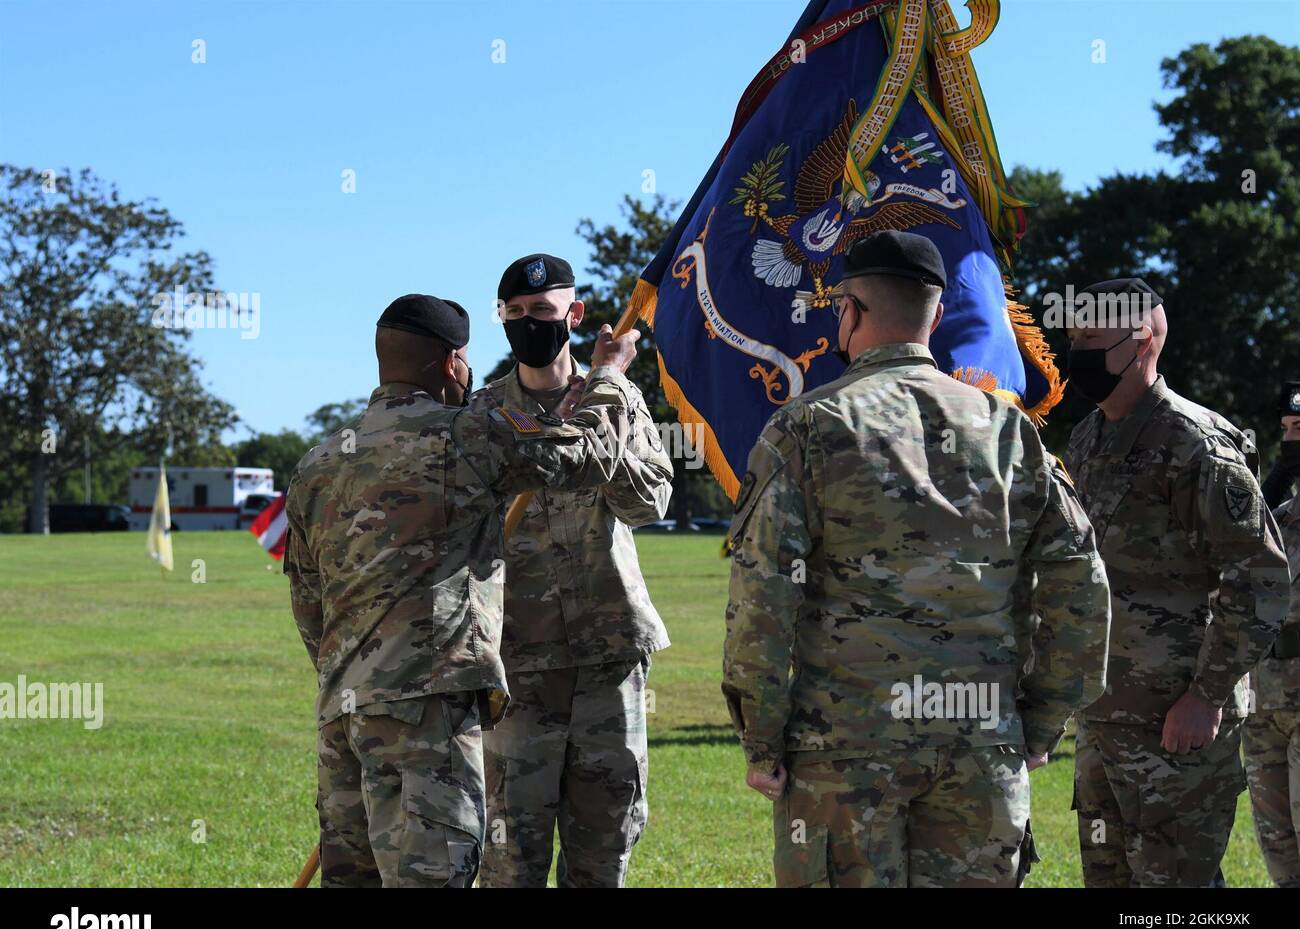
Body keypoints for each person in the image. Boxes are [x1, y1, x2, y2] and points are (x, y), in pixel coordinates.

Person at [722, 229, 1111, 888]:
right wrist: (1041, 721)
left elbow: (764, 594)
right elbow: (1081, 583)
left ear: (850, 311)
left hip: (845, 746)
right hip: (980, 742)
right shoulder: (1009, 430)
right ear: (936, 315)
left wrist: (762, 740)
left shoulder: (806, 427)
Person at [283, 292, 642, 887]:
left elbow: (307, 600)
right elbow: (580, 453)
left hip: (343, 714)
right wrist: (606, 376)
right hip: (429, 717)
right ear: (453, 363)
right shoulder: (465, 437)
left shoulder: (320, 463)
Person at [1062, 278, 1289, 887]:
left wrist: (1207, 694)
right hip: (1104, 718)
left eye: (1090, 337)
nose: (1074, 347)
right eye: (1073, 334)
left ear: (1140, 344)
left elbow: (1260, 579)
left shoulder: (1196, 447)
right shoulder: (1086, 441)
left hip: (1178, 726)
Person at [470, 253, 672, 888]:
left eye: (544, 311)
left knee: (604, 843)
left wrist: (602, 442)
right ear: (501, 318)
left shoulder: (621, 398)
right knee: (511, 848)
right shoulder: (481, 415)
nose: (530, 323)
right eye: (517, 313)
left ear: (575, 315)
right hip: (517, 661)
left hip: (608, 654)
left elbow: (650, 502)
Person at [1243, 381, 1300, 887]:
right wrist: (1278, 477)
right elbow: (1240, 554)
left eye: (1299, 430)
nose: (1290, 441)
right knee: (1278, 850)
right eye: (1285, 431)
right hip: (1263, 699)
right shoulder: (1276, 509)